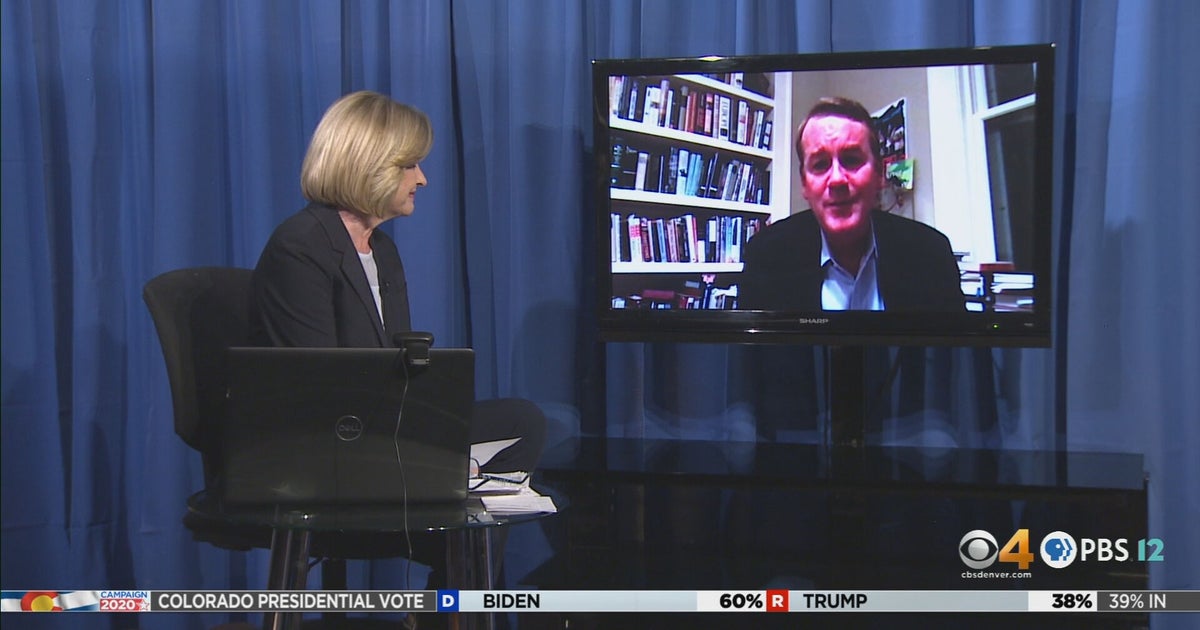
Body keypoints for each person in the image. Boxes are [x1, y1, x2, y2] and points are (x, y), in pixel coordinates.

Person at [249, 90, 545, 475]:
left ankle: (450, 527)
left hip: (386, 421)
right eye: (410, 165)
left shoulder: (382, 250)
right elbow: (317, 388)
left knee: (523, 423)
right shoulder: (301, 248)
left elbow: (395, 365)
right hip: (336, 435)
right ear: (368, 165)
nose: (422, 179)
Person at [738, 96, 965, 312]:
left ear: (878, 174)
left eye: (852, 160)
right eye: (820, 164)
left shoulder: (931, 254)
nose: (837, 179)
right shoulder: (766, 258)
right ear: (805, 183)